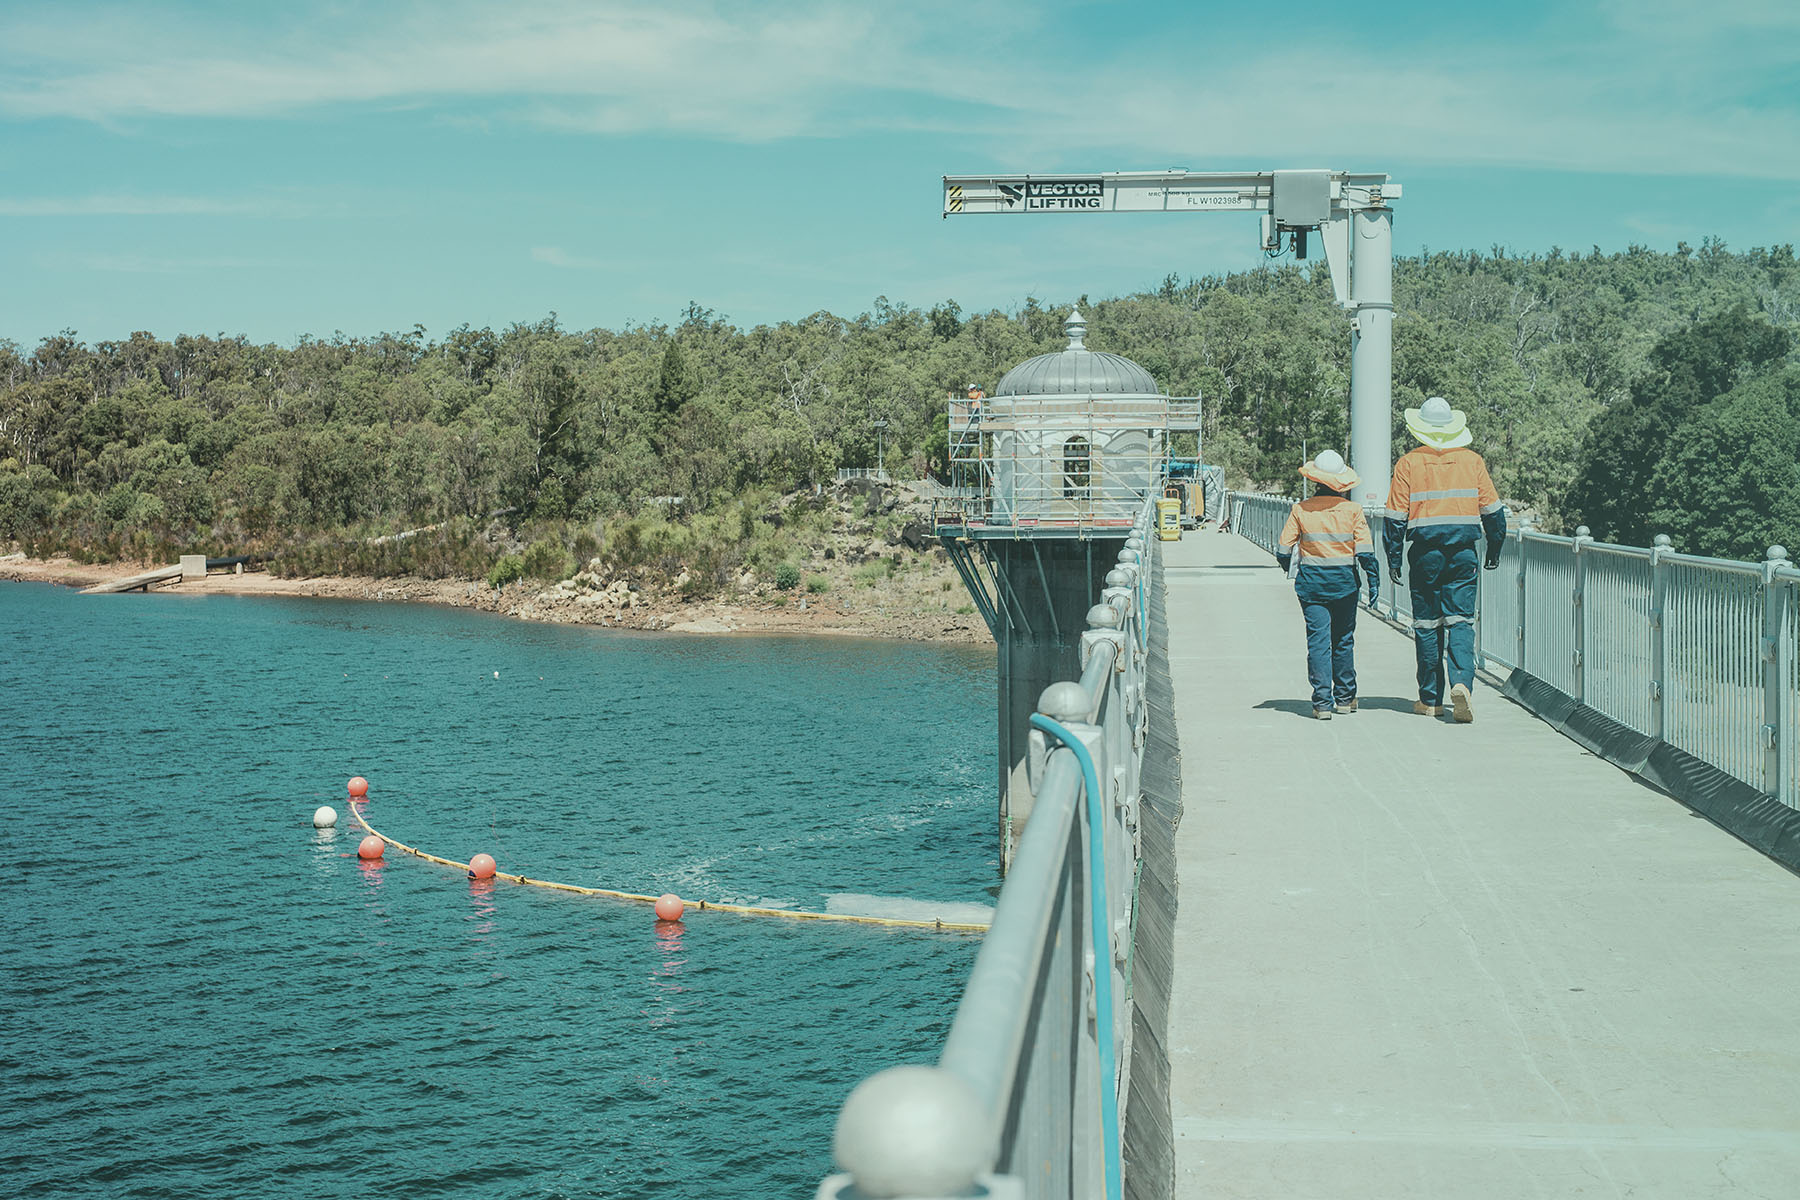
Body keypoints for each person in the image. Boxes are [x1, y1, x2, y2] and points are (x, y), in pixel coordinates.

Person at [1384, 396, 1508, 723]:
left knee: (1427, 626)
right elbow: (1494, 513)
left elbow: (1395, 517)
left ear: (1420, 428)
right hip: (1464, 553)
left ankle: (1430, 700)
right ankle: (1462, 684)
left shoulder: (1408, 463)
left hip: (1425, 555)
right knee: (1461, 621)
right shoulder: (1472, 461)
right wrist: (1493, 550)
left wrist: (1393, 557)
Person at [1276, 451, 1380, 720]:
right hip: (1345, 585)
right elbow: (1365, 552)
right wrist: (1374, 578)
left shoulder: (1300, 509)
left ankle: (1322, 703)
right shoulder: (1353, 510)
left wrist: (1293, 569)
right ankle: (1345, 698)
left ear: (1316, 481)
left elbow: (1283, 551)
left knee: (1318, 642)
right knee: (1343, 640)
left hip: (1311, 587)